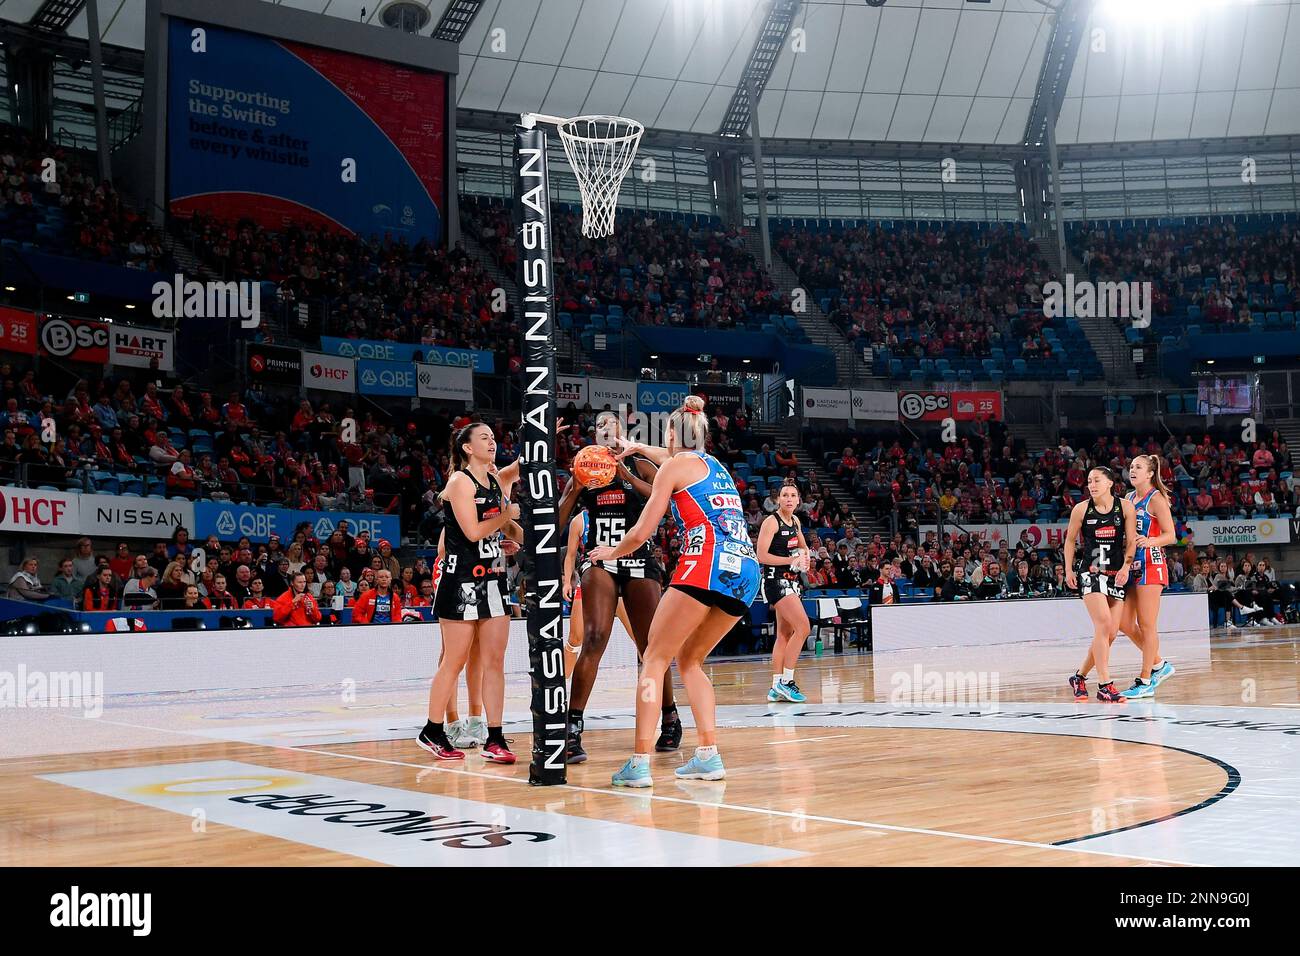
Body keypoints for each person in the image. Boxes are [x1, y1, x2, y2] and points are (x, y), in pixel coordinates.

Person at [588, 396, 761, 788]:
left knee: (653, 658)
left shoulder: (669, 468)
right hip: (746, 572)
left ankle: (640, 761)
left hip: (707, 563)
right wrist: (633, 448)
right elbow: (676, 455)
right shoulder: (715, 465)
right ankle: (708, 755)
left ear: (670, 434)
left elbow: (641, 532)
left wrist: (611, 551)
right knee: (691, 661)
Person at [557, 411, 677, 763]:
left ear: (622, 433)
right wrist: (577, 487)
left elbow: (663, 503)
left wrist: (622, 472)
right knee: (593, 638)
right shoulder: (584, 466)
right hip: (600, 559)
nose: (607, 433)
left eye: (614, 428)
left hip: (639, 558)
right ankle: (573, 727)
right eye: (601, 429)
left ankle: (669, 716)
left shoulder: (640, 465)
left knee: (651, 647)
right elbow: (559, 521)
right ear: (595, 435)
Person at [419, 423, 523, 763]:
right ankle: (433, 729)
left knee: (494, 663)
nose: (492, 442)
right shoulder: (459, 482)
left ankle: (495, 737)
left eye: (494, 437)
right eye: (484, 438)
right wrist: (506, 515)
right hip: (461, 579)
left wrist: (514, 540)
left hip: (493, 578)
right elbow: (474, 531)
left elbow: (499, 530)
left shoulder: (493, 481)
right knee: (454, 660)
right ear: (466, 448)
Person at [1065, 467, 1136, 703]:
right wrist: (1068, 569)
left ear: (1110, 484)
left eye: (1096, 480)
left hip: (1116, 573)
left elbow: (1131, 541)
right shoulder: (1081, 509)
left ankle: (1079, 676)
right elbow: (1070, 540)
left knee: (1111, 634)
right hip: (1091, 571)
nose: (1091, 485)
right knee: (1103, 624)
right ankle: (1105, 685)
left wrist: (1126, 567)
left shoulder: (1125, 507)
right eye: (1089, 481)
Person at [756, 482, 811, 703]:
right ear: (778, 499)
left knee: (784, 635)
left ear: (798, 501)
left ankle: (775, 686)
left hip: (791, 580)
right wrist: (791, 560)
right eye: (785, 495)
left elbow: (804, 547)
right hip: (774, 580)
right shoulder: (771, 522)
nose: (789, 499)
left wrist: (805, 558)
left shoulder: (796, 521)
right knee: (804, 628)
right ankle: (786, 682)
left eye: (793, 495)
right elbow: (761, 555)